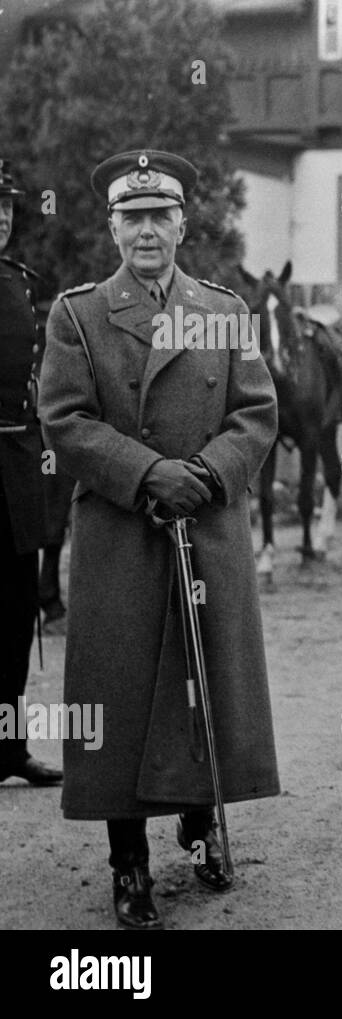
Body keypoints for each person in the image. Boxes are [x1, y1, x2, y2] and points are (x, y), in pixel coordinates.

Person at [39, 149, 280, 930]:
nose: (147, 230)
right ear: (113, 228)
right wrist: (147, 472)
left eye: (160, 215)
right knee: (124, 693)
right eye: (131, 217)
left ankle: (204, 818)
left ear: (183, 223)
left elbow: (256, 413)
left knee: (204, 678)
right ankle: (128, 861)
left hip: (206, 525)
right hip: (122, 530)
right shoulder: (76, 314)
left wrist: (206, 475)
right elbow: (66, 419)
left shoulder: (225, 310)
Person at [0, 157, 61, 788]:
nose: (0, 219)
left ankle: (8, 749)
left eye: (7, 209)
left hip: (17, 470)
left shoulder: (19, 281)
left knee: (17, 614)